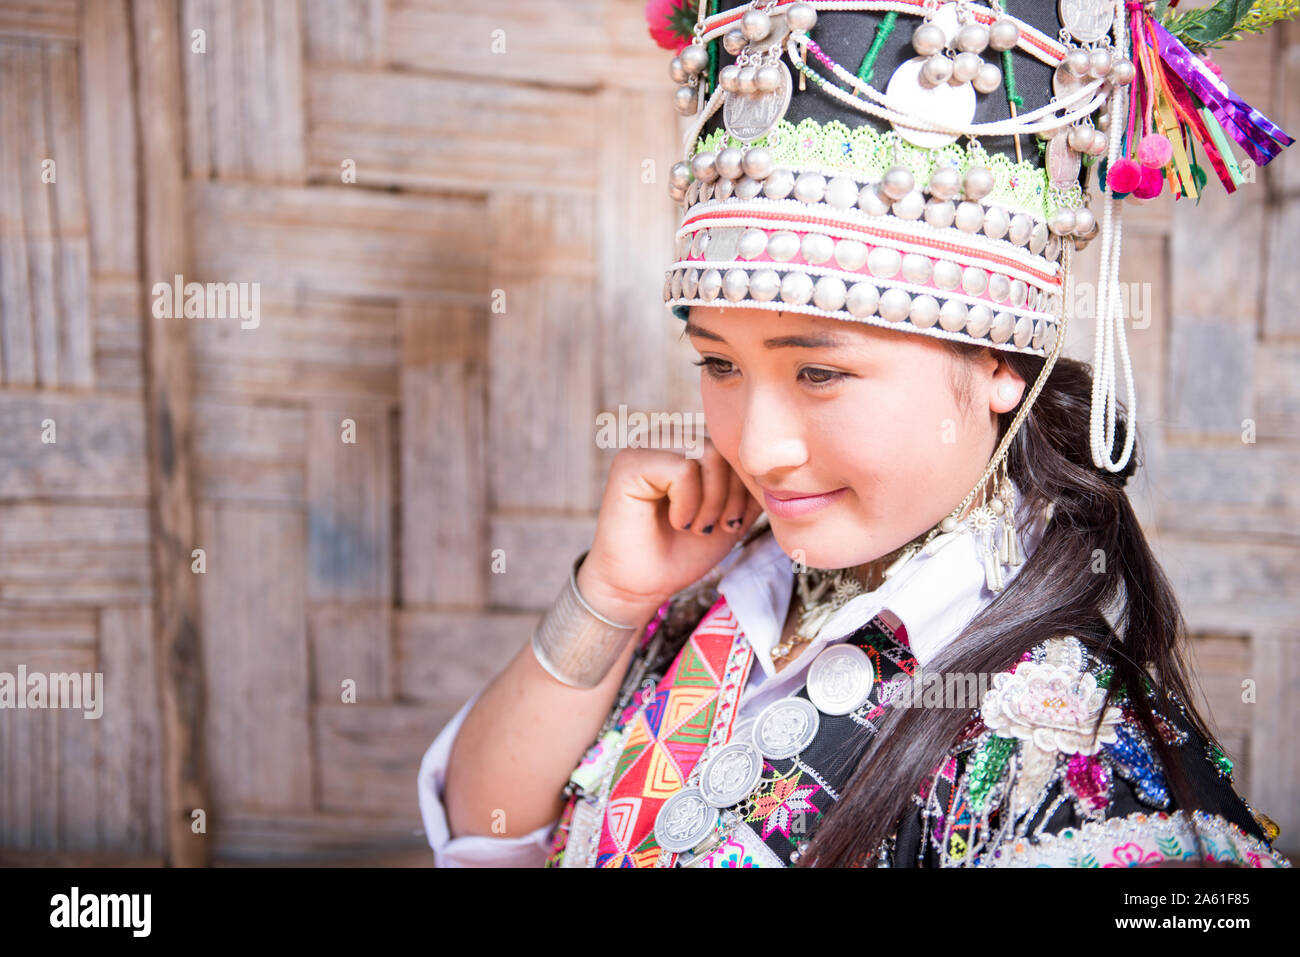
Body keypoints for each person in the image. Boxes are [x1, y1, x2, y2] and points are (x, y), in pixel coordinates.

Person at [417, 0, 1294, 867]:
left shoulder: (1077, 761)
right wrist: (607, 596)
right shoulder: (724, 582)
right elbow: (484, 832)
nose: (756, 450)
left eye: (820, 373)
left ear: (1001, 362)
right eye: (720, 364)